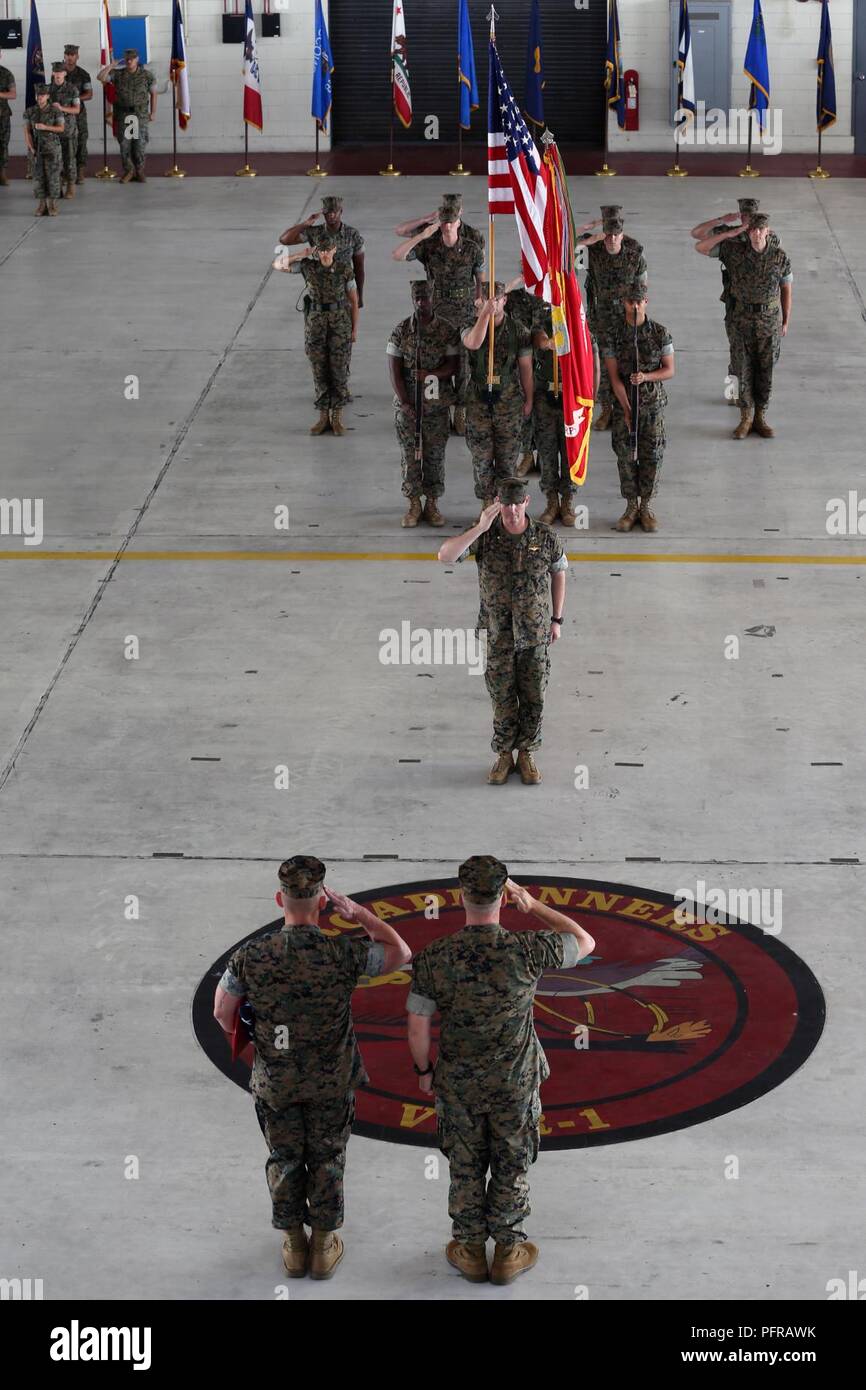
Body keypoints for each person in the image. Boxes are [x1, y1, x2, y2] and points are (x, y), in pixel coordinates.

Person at [213, 856, 412, 1279]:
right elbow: (401, 952)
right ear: (322, 902)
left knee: (284, 1157)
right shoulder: (341, 953)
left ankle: (292, 1243)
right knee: (328, 1157)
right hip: (332, 1080)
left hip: (276, 1080)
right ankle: (323, 1245)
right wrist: (358, 914)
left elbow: (221, 1013)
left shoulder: (250, 956)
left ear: (279, 899)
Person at [406, 856, 596, 1284]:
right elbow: (584, 941)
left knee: (465, 1163)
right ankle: (509, 1250)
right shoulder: (527, 949)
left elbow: (418, 1023)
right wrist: (534, 905)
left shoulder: (436, 957)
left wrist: (423, 1069)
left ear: (461, 896)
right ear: (503, 899)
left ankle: (470, 1249)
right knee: (512, 1162)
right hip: (515, 1082)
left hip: (458, 1084)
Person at [437, 477, 567, 786]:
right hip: (496, 634)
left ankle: (527, 755)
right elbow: (445, 556)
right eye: (505, 504)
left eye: (516, 503)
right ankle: (504, 755)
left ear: (526, 502)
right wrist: (481, 527)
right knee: (502, 697)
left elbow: (559, 571)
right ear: (497, 504)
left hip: (534, 634)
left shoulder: (545, 537)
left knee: (534, 696)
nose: (511, 511)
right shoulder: (485, 537)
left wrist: (557, 620)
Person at [392, 193, 484, 435]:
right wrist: (423, 231)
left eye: (451, 221)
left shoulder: (473, 244)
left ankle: (461, 409)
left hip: (464, 310)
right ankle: (439, 405)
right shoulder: (430, 244)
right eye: (443, 221)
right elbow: (398, 253)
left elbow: (480, 278)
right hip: (438, 310)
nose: (447, 226)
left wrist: (479, 302)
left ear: (459, 219)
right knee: (437, 357)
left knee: (463, 360)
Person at [695, 213, 792, 440]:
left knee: (766, 370)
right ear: (747, 232)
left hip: (768, 322)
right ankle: (745, 418)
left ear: (768, 231)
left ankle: (761, 417)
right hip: (741, 321)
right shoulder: (734, 252)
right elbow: (700, 246)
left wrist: (786, 320)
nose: (757, 234)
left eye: (761, 230)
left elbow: (786, 288)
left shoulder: (779, 257)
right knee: (742, 369)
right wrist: (730, 232)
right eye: (753, 230)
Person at [386, 279, 460, 527]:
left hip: (436, 406)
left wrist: (430, 374)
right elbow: (394, 370)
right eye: (417, 298)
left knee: (435, 456)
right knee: (410, 456)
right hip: (409, 406)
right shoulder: (401, 330)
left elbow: (453, 365)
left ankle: (433, 503)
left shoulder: (446, 330)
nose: (421, 302)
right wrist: (405, 402)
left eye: (425, 297)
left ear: (433, 298)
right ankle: (414, 504)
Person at [690, 198, 778, 405]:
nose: (748, 220)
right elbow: (697, 235)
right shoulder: (730, 236)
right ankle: (732, 393)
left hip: (761, 300)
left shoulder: (768, 237)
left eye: (752, 216)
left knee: (759, 357)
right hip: (736, 300)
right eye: (744, 216)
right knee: (737, 353)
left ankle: (752, 394)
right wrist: (723, 223)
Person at [603, 284, 674, 533]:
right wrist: (626, 407)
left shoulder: (659, 333)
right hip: (625, 406)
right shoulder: (613, 334)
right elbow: (613, 377)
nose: (634, 306)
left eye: (639, 301)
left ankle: (646, 507)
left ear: (646, 301)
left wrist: (647, 377)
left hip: (652, 406)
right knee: (625, 457)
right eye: (630, 302)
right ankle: (631, 506)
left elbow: (669, 370)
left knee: (651, 455)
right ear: (624, 302)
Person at [273, 236, 359, 437]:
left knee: (338, 371)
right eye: (321, 250)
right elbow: (277, 265)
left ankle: (336, 416)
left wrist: (354, 330)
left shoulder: (344, 269)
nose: (325, 254)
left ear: (335, 249)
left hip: (340, 326)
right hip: (316, 326)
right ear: (317, 251)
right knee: (318, 370)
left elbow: (354, 301)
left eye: (328, 250)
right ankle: (323, 416)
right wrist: (300, 254)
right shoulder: (308, 267)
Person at [461, 282, 534, 511]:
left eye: (498, 298)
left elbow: (526, 368)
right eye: (487, 299)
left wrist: (529, 399)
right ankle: (487, 507)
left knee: (507, 460)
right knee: (482, 460)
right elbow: (473, 343)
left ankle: (505, 507)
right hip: (478, 404)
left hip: (508, 404)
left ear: (505, 301)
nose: (494, 302)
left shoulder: (518, 330)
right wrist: (485, 315)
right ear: (479, 301)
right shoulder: (469, 325)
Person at [533, 306, 600, 527]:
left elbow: (594, 368)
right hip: (546, 399)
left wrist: (590, 400)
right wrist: (548, 342)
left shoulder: (582, 330)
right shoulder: (544, 322)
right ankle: (551, 502)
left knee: (571, 451)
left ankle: (568, 502)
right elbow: (538, 339)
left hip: (572, 400)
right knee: (547, 451)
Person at [582, 206, 647, 432]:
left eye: (615, 234)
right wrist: (591, 232)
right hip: (600, 315)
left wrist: (639, 317)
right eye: (607, 234)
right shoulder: (594, 251)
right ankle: (607, 408)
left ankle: (625, 407)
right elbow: (568, 248)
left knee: (627, 361)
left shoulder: (634, 254)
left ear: (622, 234)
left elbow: (642, 287)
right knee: (600, 363)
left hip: (626, 316)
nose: (611, 239)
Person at [279, 195, 365, 309]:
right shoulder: (315, 232)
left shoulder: (352, 234)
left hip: (344, 290)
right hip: (320, 290)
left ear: (341, 211)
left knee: (344, 325)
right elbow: (285, 240)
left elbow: (359, 267)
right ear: (323, 213)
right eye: (328, 212)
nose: (332, 215)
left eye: (335, 211)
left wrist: (359, 295)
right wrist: (306, 223)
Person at [97, 48, 157, 183]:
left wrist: (153, 112)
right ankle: (129, 171)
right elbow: (100, 77)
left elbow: (153, 94)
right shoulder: (118, 74)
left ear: (137, 59)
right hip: (123, 114)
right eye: (127, 58)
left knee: (139, 144)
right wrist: (112, 65)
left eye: (132, 58)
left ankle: (139, 170)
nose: (130, 61)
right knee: (125, 145)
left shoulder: (147, 75)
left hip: (140, 114)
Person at [22, 85, 64, 216]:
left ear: (48, 96)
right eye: (38, 95)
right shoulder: (29, 111)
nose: (39, 97)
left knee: (53, 177)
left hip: (52, 148)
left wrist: (46, 127)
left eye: (42, 95)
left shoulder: (55, 111)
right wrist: (31, 147)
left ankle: (52, 205)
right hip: (36, 149)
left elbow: (61, 128)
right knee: (38, 179)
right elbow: (27, 132)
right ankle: (41, 205)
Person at [48, 61, 80, 199]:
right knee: (54, 160)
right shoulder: (47, 89)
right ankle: (57, 186)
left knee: (69, 159)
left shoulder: (72, 89)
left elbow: (77, 109)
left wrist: (61, 108)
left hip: (68, 130)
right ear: (53, 73)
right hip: (52, 130)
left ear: (65, 73)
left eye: (61, 72)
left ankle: (71, 186)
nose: (58, 75)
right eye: (56, 72)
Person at [63, 44, 93, 185]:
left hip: (79, 113)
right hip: (62, 114)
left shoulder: (83, 74)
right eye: (68, 55)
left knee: (81, 141)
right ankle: (65, 172)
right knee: (64, 142)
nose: (70, 57)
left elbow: (89, 95)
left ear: (77, 56)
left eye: (72, 55)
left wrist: (75, 99)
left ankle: (80, 171)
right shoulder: (57, 73)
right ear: (64, 56)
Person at [0, 52, 16, 188]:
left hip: (2, 115)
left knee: (3, 144)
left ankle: (2, 174)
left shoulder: (6, 74)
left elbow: (13, 94)